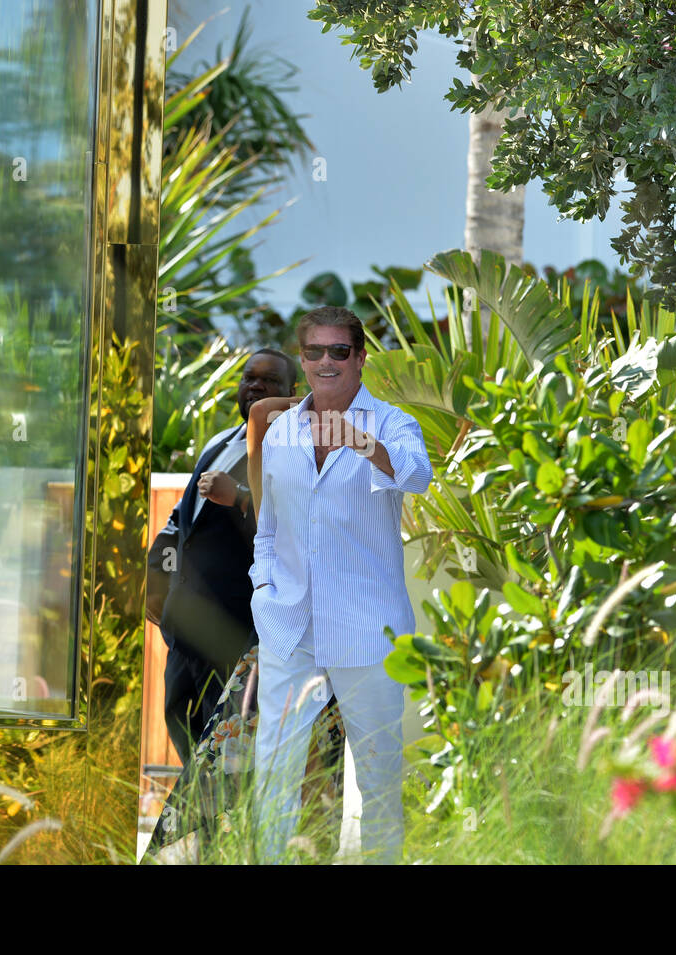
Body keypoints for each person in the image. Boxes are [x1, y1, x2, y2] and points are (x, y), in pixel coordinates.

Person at [143, 349, 346, 862]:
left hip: (239, 631)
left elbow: (299, 528)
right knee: (182, 723)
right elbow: (179, 520)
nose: (255, 389)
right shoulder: (218, 442)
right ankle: (214, 837)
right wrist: (156, 568)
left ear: (292, 390)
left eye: (268, 381)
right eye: (248, 380)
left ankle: (222, 844)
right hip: (184, 627)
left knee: (228, 750)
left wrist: (241, 498)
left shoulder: (299, 450)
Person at [249, 306, 433, 864]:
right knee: (272, 772)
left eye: (339, 351)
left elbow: (417, 473)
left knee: (377, 776)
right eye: (314, 351)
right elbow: (270, 526)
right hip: (291, 624)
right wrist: (264, 589)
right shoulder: (280, 431)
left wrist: (361, 442)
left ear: (359, 358)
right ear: (302, 360)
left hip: (367, 629)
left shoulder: (392, 423)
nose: (326, 362)